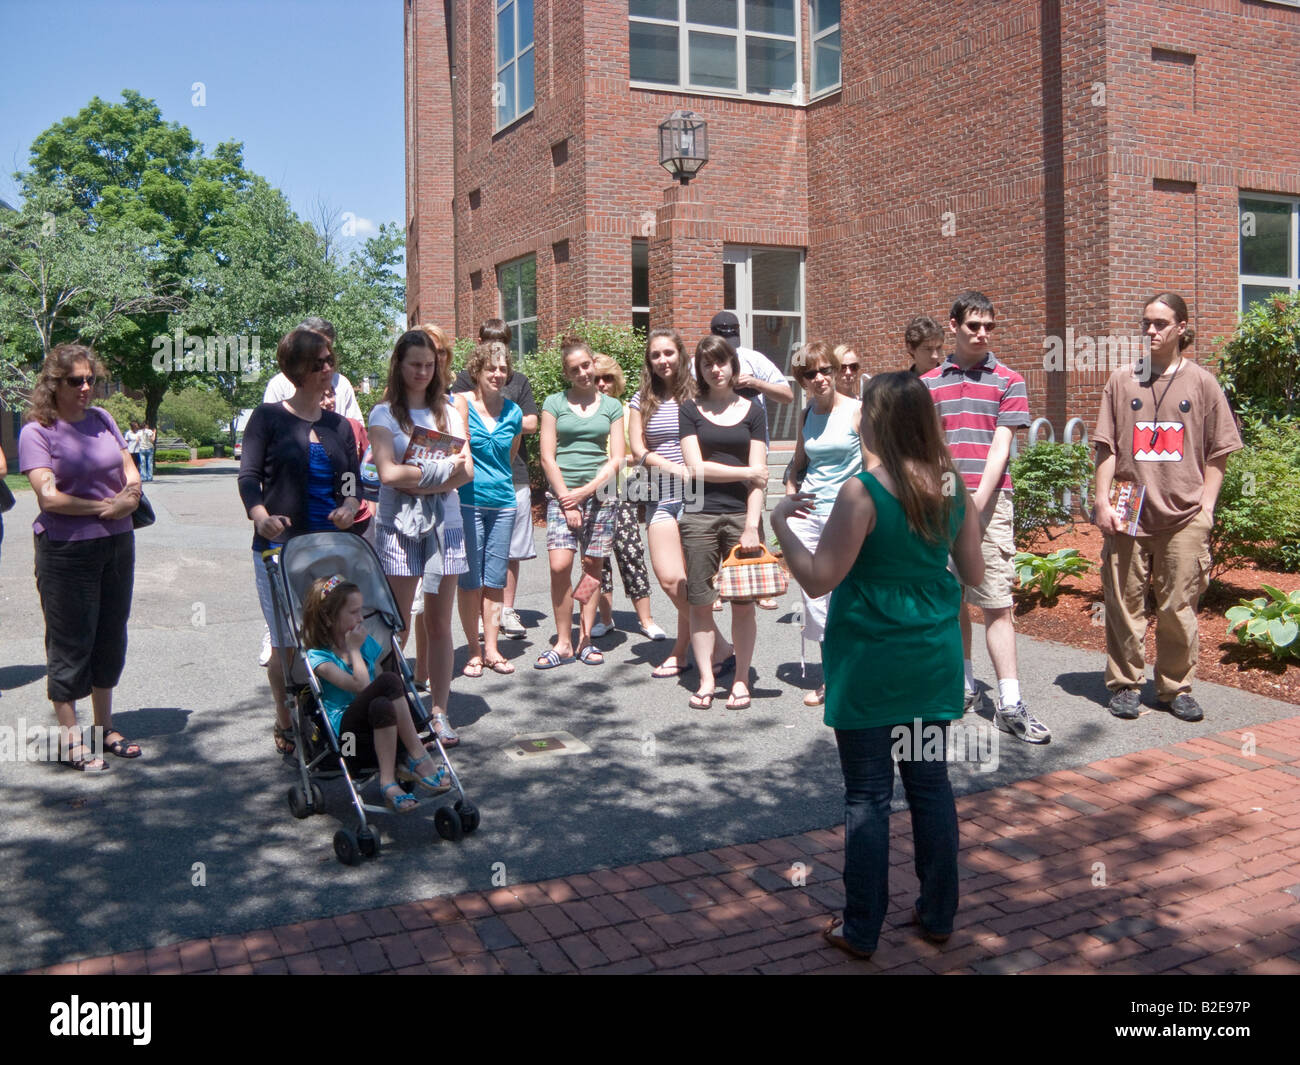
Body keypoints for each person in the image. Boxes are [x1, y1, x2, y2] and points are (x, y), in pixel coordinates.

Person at [772, 371, 984, 960]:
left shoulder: (862, 492)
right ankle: (938, 913)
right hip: (929, 654)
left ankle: (862, 927)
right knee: (930, 787)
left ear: (879, 421)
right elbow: (973, 574)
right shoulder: (950, 484)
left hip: (869, 658)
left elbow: (819, 576)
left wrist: (779, 525)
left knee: (867, 797)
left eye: (865, 412)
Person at [1094, 292, 1242, 722]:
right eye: (1146, 323)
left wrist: (1206, 508)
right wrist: (1101, 501)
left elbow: (1220, 451)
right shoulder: (1122, 381)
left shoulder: (1202, 383)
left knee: (1179, 606)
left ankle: (1175, 687)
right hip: (1128, 508)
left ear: (1181, 328)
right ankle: (1125, 684)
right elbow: (1105, 448)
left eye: (1160, 323)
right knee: (1124, 602)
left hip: (1185, 514)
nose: (1151, 331)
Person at [921, 291, 1050, 744]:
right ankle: (962, 685)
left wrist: (974, 503)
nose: (982, 333)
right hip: (940, 507)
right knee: (949, 599)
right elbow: (928, 450)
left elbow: (1001, 447)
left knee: (996, 601)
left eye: (989, 326)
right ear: (952, 325)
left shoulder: (1009, 379)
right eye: (973, 325)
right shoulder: (929, 384)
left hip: (991, 506)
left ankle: (1011, 702)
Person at [239, 326, 362, 758]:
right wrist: (260, 517)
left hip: (330, 549)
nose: (328, 368)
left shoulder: (339, 426)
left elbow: (350, 480)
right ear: (296, 370)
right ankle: (285, 715)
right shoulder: (268, 418)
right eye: (318, 363)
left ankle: (330, 715)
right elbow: (249, 477)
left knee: (333, 635)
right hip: (279, 548)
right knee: (286, 642)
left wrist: (348, 505)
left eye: (331, 360)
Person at [19, 344, 143, 771]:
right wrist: (106, 507)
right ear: (54, 384)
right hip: (66, 550)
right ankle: (72, 737)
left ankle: (103, 726)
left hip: (117, 544)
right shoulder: (37, 430)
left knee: (111, 634)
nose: (87, 387)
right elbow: (49, 496)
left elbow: (129, 468)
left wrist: (130, 496)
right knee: (71, 641)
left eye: (92, 379)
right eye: (76, 381)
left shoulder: (103, 419)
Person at [368, 326, 472, 747]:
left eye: (430, 366)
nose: (423, 373)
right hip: (399, 528)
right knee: (396, 624)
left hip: (446, 526)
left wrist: (421, 481)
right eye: (415, 365)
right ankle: (391, 711)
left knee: (439, 623)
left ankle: (440, 713)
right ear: (399, 365)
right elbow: (388, 474)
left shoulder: (449, 411)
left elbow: (467, 472)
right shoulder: (383, 414)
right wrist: (440, 475)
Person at [628, 328, 734, 680]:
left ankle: (683, 651)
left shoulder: (700, 394)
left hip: (699, 495)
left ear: (681, 354)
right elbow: (638, 450)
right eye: (655, 355)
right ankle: (718, 643)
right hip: (660, 492)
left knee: (690, 579)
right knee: (671, 578)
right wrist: (674, 467)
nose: (662, 361)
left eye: (668, 353)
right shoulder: (641, 399)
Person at [304, 575, 448, 812]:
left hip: (377, 728)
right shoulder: (319, 658)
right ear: (328, 618)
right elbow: (361, 686)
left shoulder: (365, 642)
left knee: (382, 702)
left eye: (361, 611)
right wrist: (353, 650)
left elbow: (379, 692)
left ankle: (388, 783)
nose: (361, 618)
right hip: (347, 741)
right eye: (353, 612)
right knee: (389, 680)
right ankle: (418, 755)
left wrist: (357, 649)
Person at [678, 335, 769, 710]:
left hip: (739, 517)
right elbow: (694, 468)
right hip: (698, 516)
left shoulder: (754, 411)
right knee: (700, 602)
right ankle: (706, 680)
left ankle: (742, 679)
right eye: (707, 364)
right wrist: (748, 470)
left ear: (734, 365)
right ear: (699, 369)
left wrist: (751, 526)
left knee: (743, 604)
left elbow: (760, 483)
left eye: (722, 362)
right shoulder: (690, 409)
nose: (716, 369)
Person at [537, 336, 625, 668]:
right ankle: (562, 642)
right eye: (575, 369)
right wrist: (567, 500)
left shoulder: (612, 407)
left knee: (591, 570)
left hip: (600, 496)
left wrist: (585, 492)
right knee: (560, 566)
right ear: (567, 373)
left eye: (586, 365)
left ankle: (585, 639)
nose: (583, 373)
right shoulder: (553, 403)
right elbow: (547, 457)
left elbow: (616, 459)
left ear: (593, 363)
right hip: (562, 496)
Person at [783, 341, 863, 707]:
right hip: (808, 515)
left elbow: (875, 466)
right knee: (815, 598)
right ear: (802, 380)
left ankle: (854, 673)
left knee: (847, 596)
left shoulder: (859, 412)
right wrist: (789, 490)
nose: (819, 378)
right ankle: (832, 676)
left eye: (825, 370)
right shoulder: (806, 415)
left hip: (844, 516)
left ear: (834, 370)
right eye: (810, 374)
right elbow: (799, 461)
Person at [452, 319, 538, 640]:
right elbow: (454, 425)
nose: (497, 373)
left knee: (504, 556)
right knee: (473, 561)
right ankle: (476, 622)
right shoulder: (462, 387)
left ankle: (505, 612)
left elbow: (522, 429)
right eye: (489, 341)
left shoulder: (517, 389)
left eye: (502, 340)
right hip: (471, 488)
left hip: (507, 481)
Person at [709, 311, 792, 610]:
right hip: (717, 455)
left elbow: (787, 394)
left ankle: (762, 582)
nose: (729, 347)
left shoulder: (753, 359)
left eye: (732, 340)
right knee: (717, 518)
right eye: (723, 339)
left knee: (753, 519)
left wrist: (755, 383)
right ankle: (720, 583)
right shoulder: (706, 361)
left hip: (753, 453)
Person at [454, 340, 522, 676]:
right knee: (470, 581)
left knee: (494, 580)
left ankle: (493, 648)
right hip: (468, 501)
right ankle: (472, 649)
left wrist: (495, 481)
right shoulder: (461, 403)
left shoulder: (514, 411)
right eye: (490, 368)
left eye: (502, 368)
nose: (497, 374)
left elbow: (509, 456)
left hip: (504, 503)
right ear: (477, 371)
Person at [591, 352, 665, 641]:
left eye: (607, 378)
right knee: (596, 559)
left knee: (630, 551)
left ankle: (646, 620)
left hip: (622, 487)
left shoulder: (626, 409)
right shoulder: (579, 411)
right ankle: (605, 618)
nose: (601, 384)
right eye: (597, 379)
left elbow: (640, 451)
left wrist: (619, 462)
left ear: (616, 381)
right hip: (590, 491)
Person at [263, 317, 363, 421]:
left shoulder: (342, 384)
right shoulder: (278, 385)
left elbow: (357, 428)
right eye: (317, 359)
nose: (326, 368)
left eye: (329, 359)